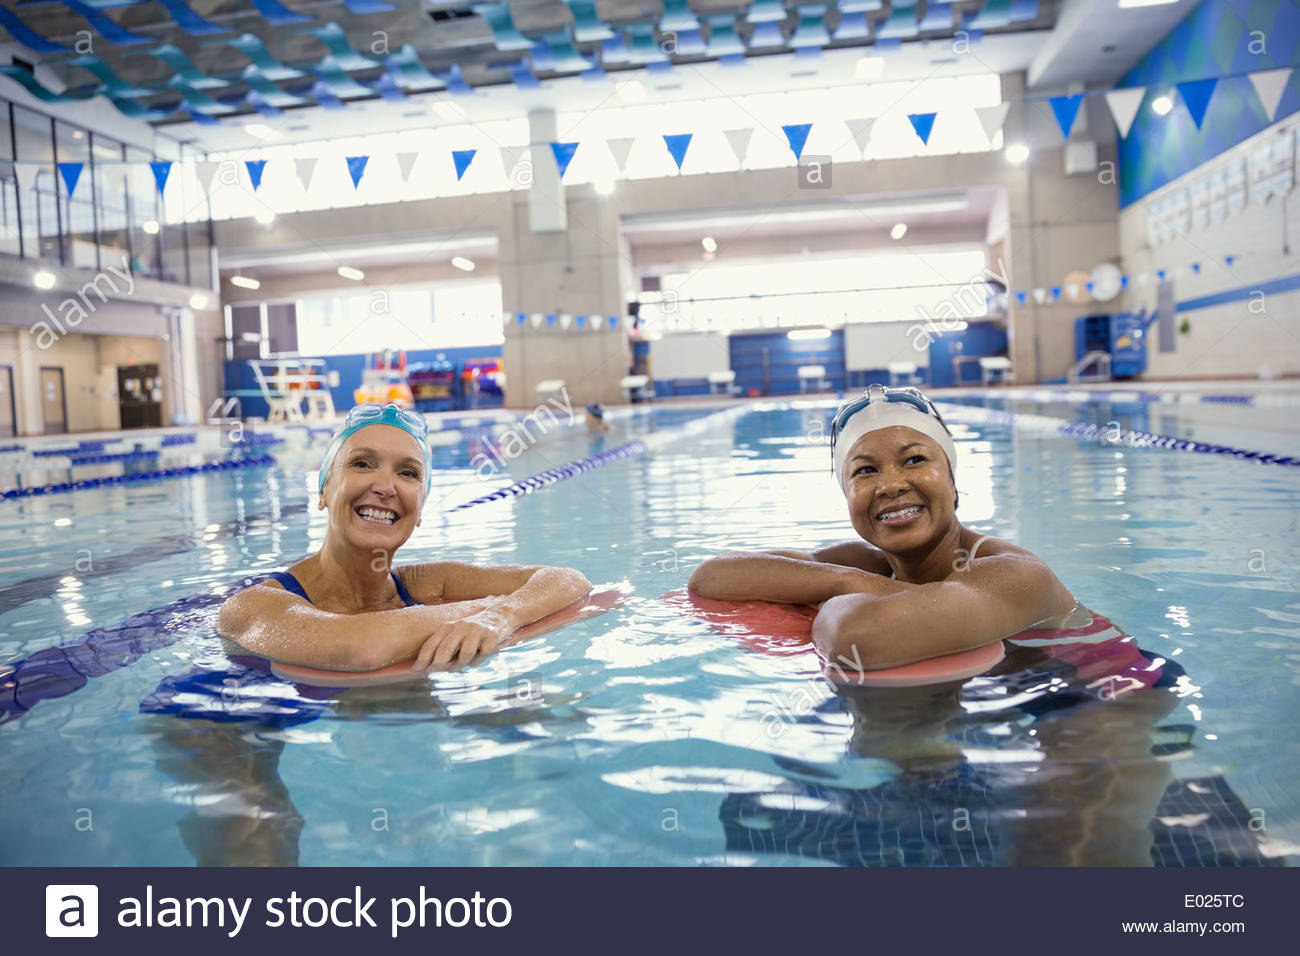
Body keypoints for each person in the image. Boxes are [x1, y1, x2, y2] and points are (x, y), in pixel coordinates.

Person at [688, 384, 1078, 670]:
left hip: (1090, 718)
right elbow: (710, 577)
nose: (890, 485)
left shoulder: (1016, 574)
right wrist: (848, 580)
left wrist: (842, 588)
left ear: (954, 482)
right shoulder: (863, 564)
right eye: (865, 470)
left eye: (914, 460)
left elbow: (855, 639)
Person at [217, 403, 591, 672]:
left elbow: (568, 580)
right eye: (362, 464)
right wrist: (488, 604)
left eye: (408, 473)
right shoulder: (254, 606)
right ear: (324, 490)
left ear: (421, 508)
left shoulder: (424, 584)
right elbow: (363, 647)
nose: (385, 487)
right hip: (230, 743)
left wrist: (500, 615)